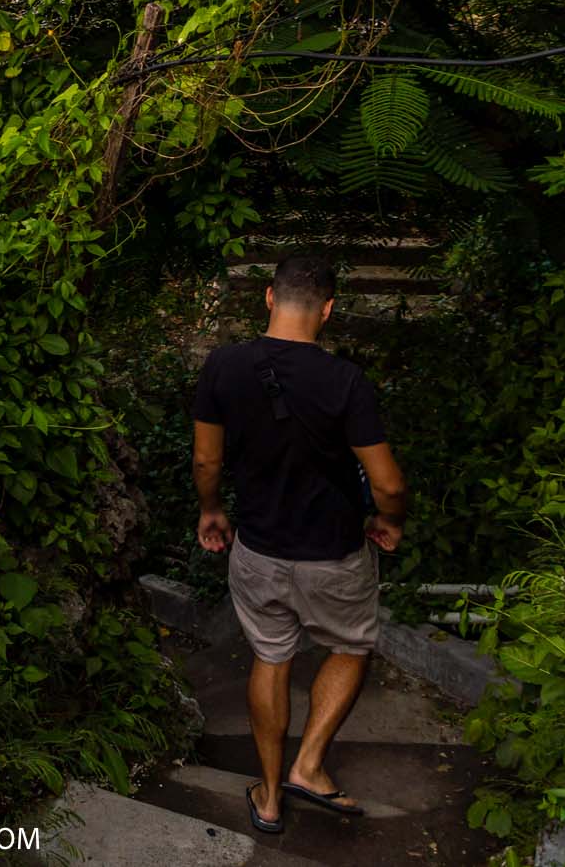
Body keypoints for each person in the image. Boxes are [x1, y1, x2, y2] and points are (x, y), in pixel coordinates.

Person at [188, 254, 409, 836]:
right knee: (350, 645)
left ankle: (267, 796)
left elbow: (207, 457)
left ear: (268, 296)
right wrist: (389, 520)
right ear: (329, 309)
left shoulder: (223, 366)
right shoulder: (346, 382)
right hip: (334, 555)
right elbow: (387, 482)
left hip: (258, 550)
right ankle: (308, 765)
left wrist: (212, 510)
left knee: (271, 656)